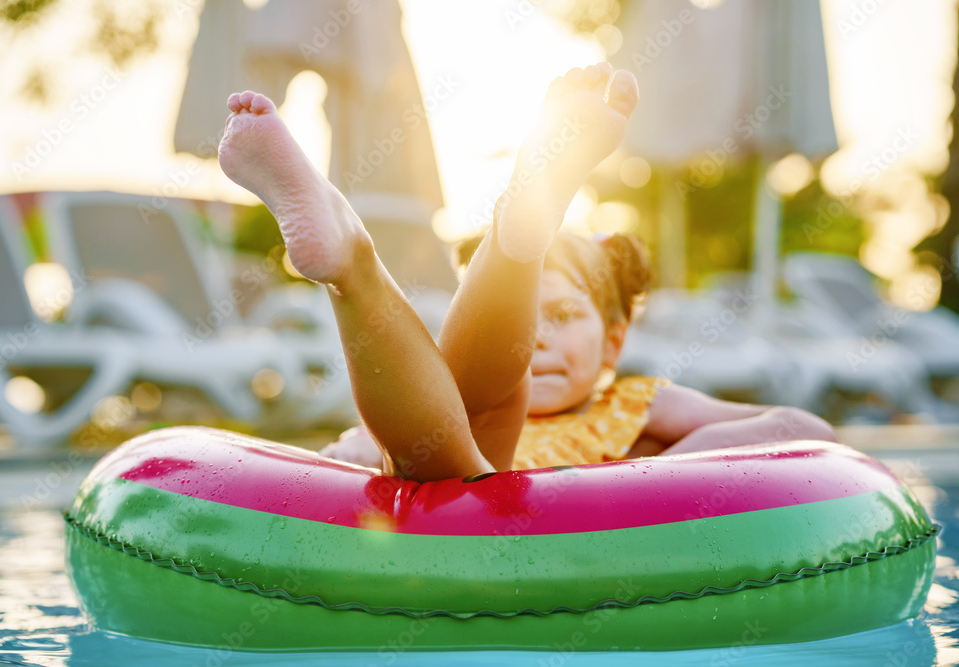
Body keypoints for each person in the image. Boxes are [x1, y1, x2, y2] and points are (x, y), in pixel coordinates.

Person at [218, 63, 836, 483]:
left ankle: (358, 265)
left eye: (563, 315)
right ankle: (504, 242)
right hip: (449, 480)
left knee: (453, 431)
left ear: (614, 340)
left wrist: (652, 471)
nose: (536, 337)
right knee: (455, 410)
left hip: (481, 493)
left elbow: (799, 428)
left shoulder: (634, 407)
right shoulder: (420, 394)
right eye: (526, 316)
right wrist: (363, 449)